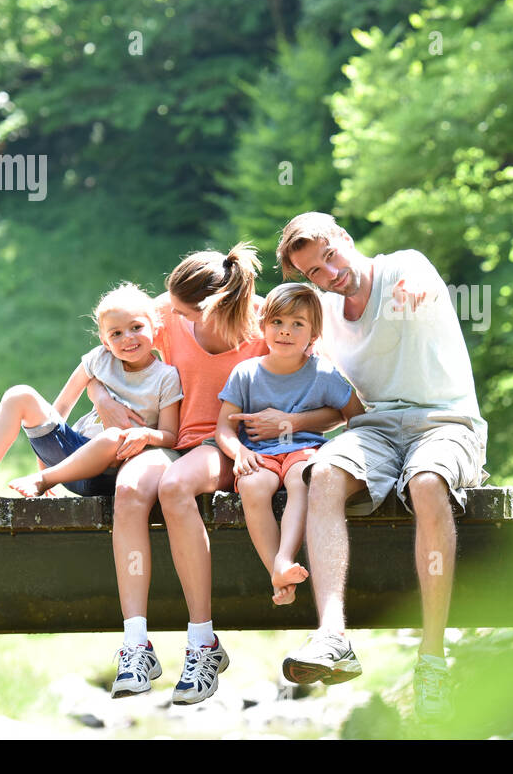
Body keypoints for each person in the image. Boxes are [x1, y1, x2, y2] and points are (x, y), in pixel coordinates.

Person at [88, 246, 346, 704]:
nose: (176, 319)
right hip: (171, 439)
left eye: (186, 313)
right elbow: (100, 354)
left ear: (211, 305)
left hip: (235, 446)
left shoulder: (273, 322)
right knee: (129, 489)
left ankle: (202, 641)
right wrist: (101, 398)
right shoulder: (171, 309)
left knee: (174, 487)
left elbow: (327, 393)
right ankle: (136, 644)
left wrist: (286, 426)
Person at [274, 212, 488, 723]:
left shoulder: (404, 268)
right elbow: (265, 325)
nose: (329, 274)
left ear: (346, 240)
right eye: (314, 272)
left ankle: (432, 658)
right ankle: (332, 636)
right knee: (322, 474)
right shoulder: (321, 311)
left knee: (428, 481)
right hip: (373, 428)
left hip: (446, 423)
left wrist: (416, 292)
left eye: (331, 256)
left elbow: (415, 276)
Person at [0, 283, 182, 512]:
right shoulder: (99, 359)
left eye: (136, 327)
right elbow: (61, 407)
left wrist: (145, 434)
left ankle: (43, 480)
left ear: (155, 328)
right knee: (19, 394)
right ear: (104, 341)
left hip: (110, 471)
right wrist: (44, 460)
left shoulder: (166, 377)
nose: (127, 337)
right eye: (115, 333)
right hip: (70, 458)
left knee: (113, 437)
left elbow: (170, 436)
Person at [216, 282, 365, 606]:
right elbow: (223, 430)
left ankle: (284, 559)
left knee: (301, 479)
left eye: (298, 324)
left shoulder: (323, 373)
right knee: (254, 487)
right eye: (278, 322)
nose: (285, 331)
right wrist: (239, 453)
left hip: (305, 451)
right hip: (258, 454)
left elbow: (357, 415)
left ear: (313, 335)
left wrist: (343, 450)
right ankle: (277, 572)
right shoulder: (246, 373)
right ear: (263, 326)